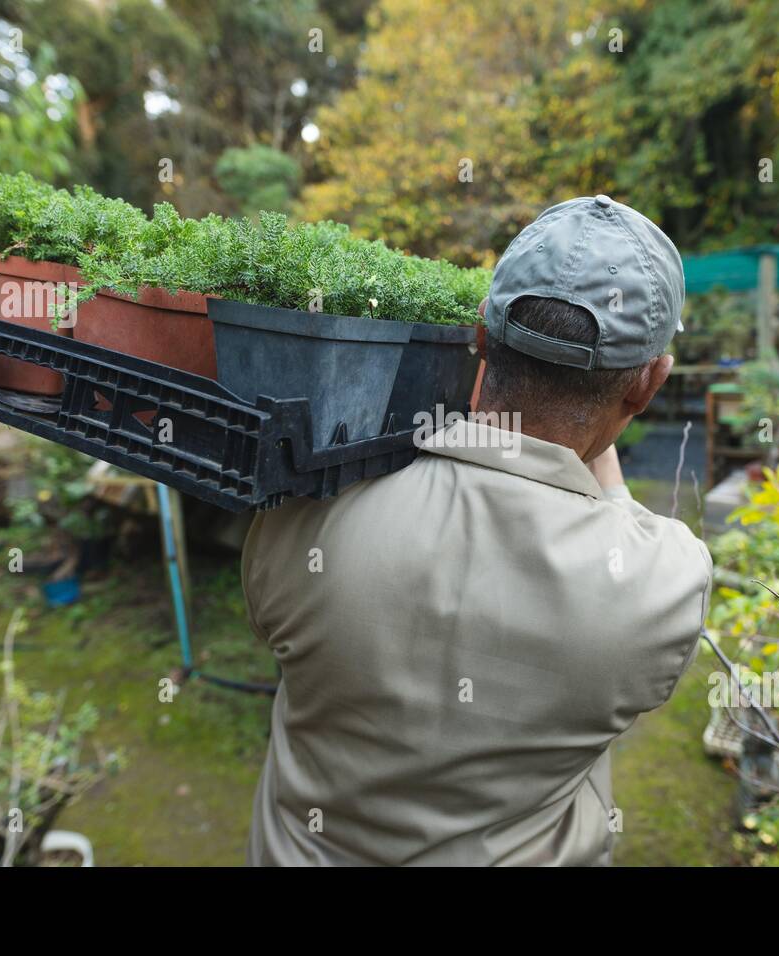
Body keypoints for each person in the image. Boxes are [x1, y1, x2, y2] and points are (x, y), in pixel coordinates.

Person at [241, 195, 713, 865]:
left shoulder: (305, 512)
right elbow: (616, 519)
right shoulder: (660, 585)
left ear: (482, 335)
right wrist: (594, 427)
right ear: (650, 384)